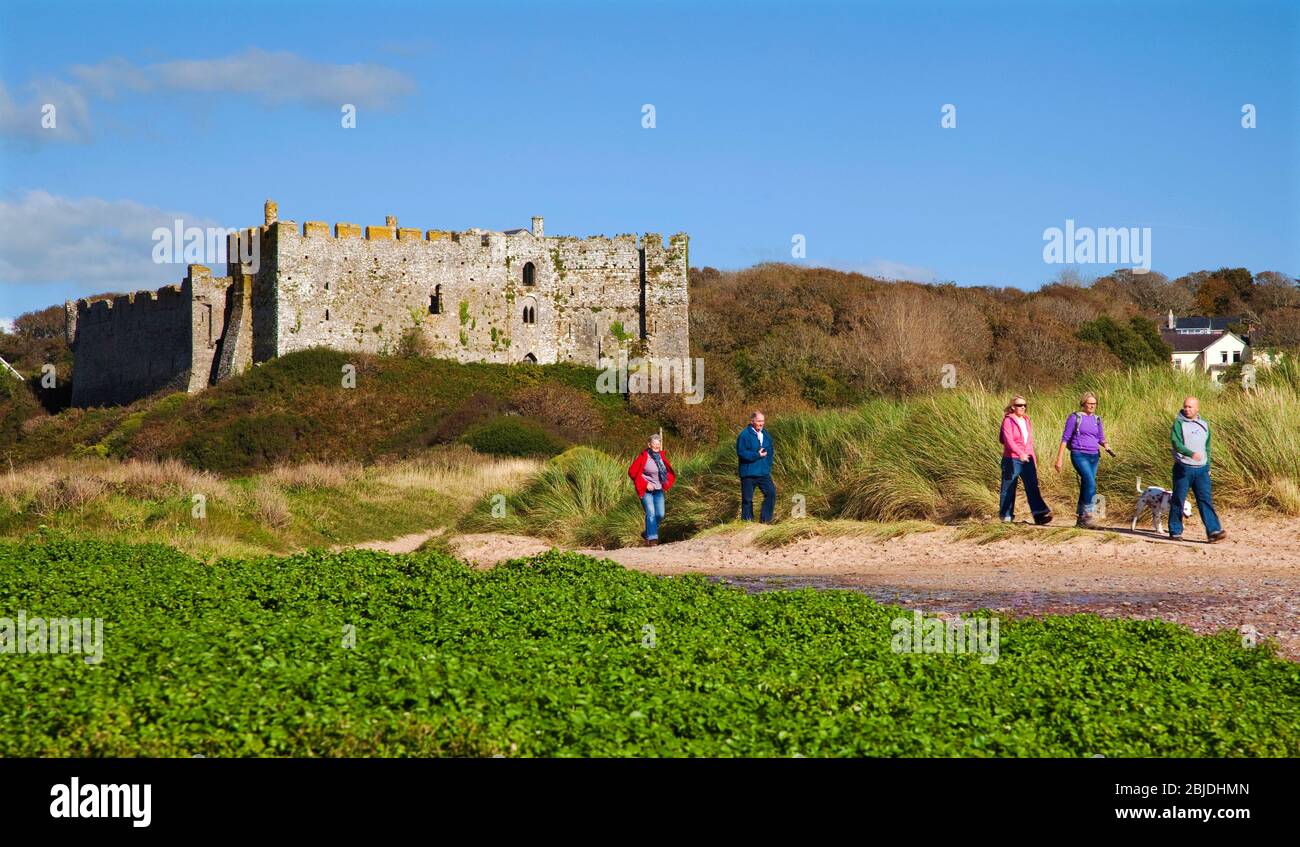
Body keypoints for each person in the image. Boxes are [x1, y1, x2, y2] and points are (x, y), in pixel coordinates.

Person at [1169, 396, 1227, 542]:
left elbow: (1207, 447)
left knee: (1205, 499)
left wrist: (1208, 465)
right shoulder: (1178, 423)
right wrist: (1190, 453)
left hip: (1201, 470)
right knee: (1178, 499)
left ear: (1197, 409)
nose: (1187, 409)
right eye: (1185, 407)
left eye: (1190, 407)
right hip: (1183, 468)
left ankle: (1213, 530)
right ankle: (1175, 530)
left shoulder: (1204, 425)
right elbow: (1176, 443)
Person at [1053, 391, 1112, 528]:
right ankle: (1088, 515)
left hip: (1094, 456)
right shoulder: (1075, 418)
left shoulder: (1097, 419)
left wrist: (1105, 444)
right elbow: (1065, 439)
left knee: (1087, 484)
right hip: (1079, 454)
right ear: (1083, 404)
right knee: (1090, 482)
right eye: (1089, 403)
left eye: (1094, 404)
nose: (1092, 406)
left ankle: (1081, 519)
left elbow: (1100, 437)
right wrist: (1059, 459)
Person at [998, 395, 1053, 525]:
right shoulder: (1008, 421)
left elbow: (1029, 441)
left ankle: (1039, 514)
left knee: (1032, 485)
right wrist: (1019, 453)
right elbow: (1008, 440)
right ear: (1013, 407)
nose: (1022, 407)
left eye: (1024, 405)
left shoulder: (1027, 420)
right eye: (1019, 405)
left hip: (1027, 458)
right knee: (1009, 487)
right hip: (1012, 458)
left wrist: (1032, 457)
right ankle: (1006, 516)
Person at [628, 433, 676, 546]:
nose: (656, 447)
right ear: (649, 445)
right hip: (646, 490)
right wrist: (645, 484)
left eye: (658, 445)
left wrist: (666, 482)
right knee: (651, 513)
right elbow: (632, 472)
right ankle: (653, 540)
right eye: (654, 444)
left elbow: (666, 471)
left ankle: (647, 533)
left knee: (660, 514)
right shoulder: (643, 457)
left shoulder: (661, 457)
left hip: (659, 489)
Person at [736, 410, 776, 523]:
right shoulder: (744, 435)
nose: (761, 423)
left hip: (763, 473)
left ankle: (765, 521)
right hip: (748, 473)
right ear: (752, 421)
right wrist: (757, 455)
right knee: (747, 500)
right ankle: (747, 523)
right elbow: (741, 453)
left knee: (771, 494)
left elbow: (770, 450)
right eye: (759, 421)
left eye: (763, 421)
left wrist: (768, 464)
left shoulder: (766, 434)